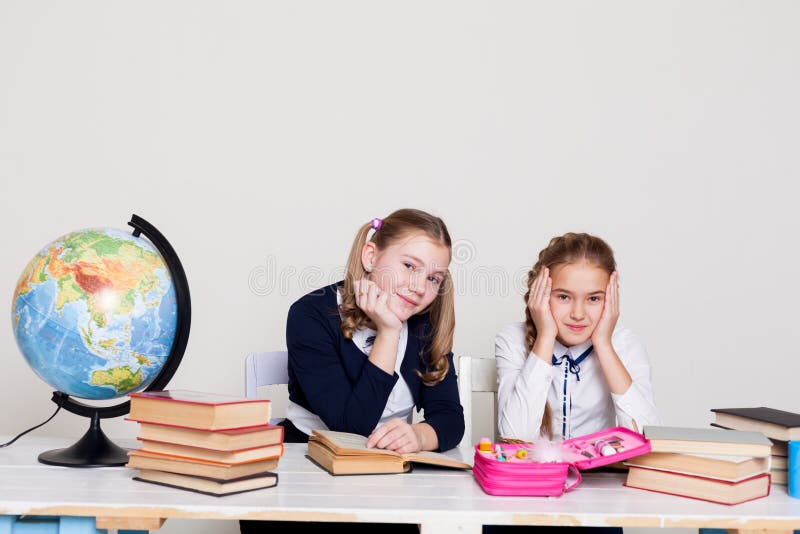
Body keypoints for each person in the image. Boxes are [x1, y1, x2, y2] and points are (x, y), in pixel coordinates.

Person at [242, 208, 463, 534]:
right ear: (371, 256)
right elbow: (350, 428)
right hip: (307, 463)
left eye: (433, 278)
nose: (419, 287)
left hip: (387, 472)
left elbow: (449, 418)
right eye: (408, 266)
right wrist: (388, 332)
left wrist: (418, 435)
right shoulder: (310, 315)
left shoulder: (424, 326)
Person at [488, 232, 662, 534]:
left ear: (611, 300)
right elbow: (515, 435)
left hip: (598, 503)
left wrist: (604, 345)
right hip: (521, 500)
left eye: (594, 299)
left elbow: (647, 440)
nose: (579, 313)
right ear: (541, 294)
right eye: (564, 297)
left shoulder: (625, 345)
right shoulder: (512, 340)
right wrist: (544, 337)